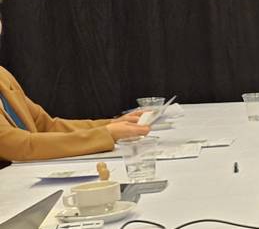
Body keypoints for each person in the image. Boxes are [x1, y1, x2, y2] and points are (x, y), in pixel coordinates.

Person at [0, 18, 149, 163]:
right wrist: (105, 134)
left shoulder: (3, 75)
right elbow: (17, 145)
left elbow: (48, 126)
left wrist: (113, 124)